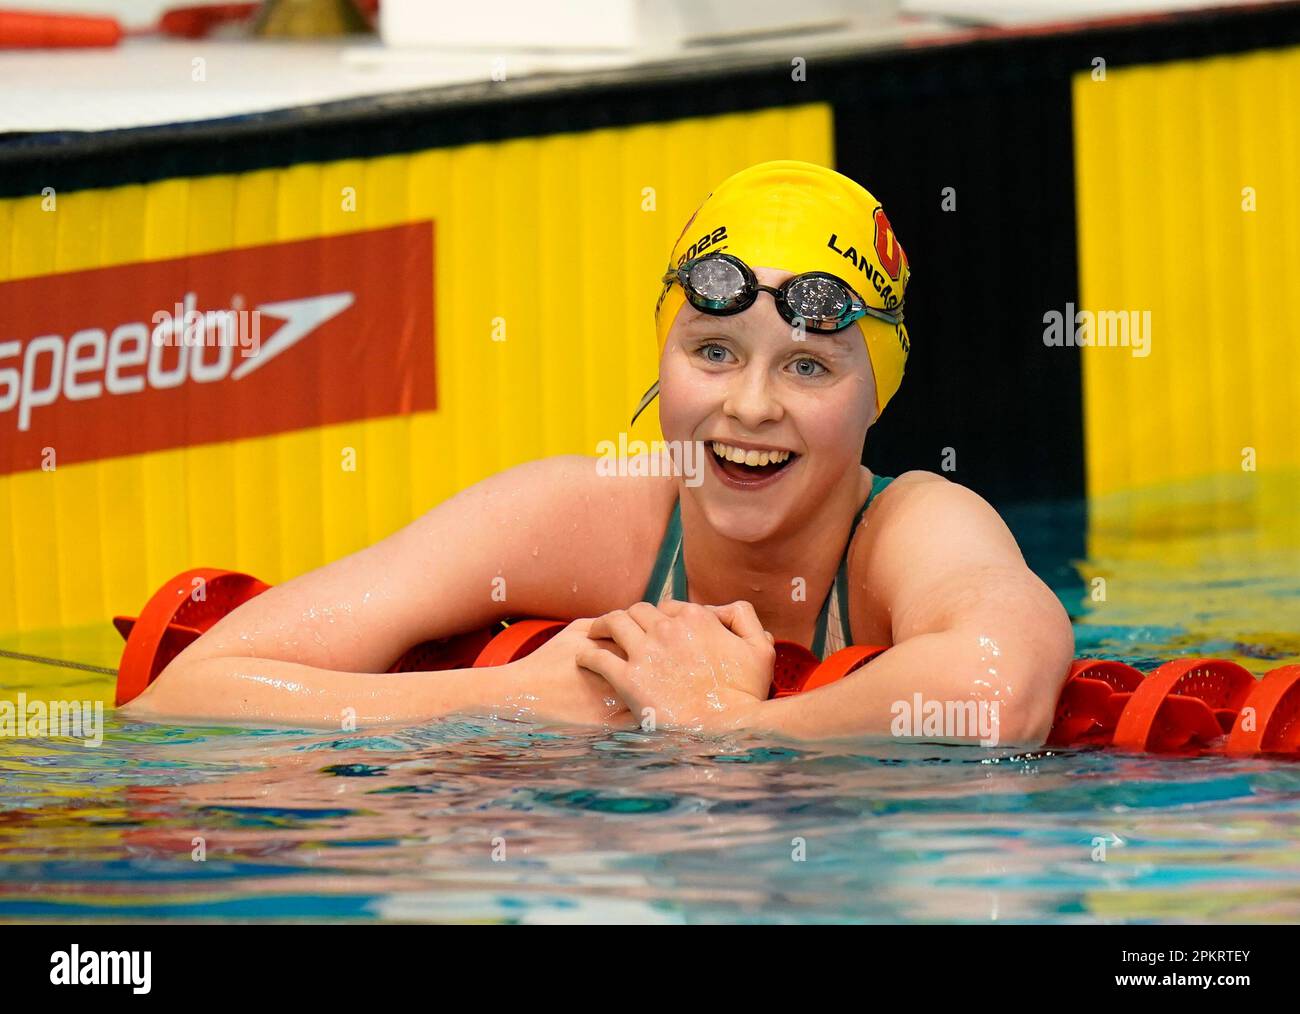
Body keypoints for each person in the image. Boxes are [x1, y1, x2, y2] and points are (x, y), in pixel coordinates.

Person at [123, 160, 1073, 743]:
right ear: (664, 359)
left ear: (877, 396)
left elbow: (1001, 691)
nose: (750, 406)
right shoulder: (584, 517)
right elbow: (187, 695)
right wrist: (504, 701)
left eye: (808, 369)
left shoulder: (911, 528)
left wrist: (732, 728)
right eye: (713, 352)